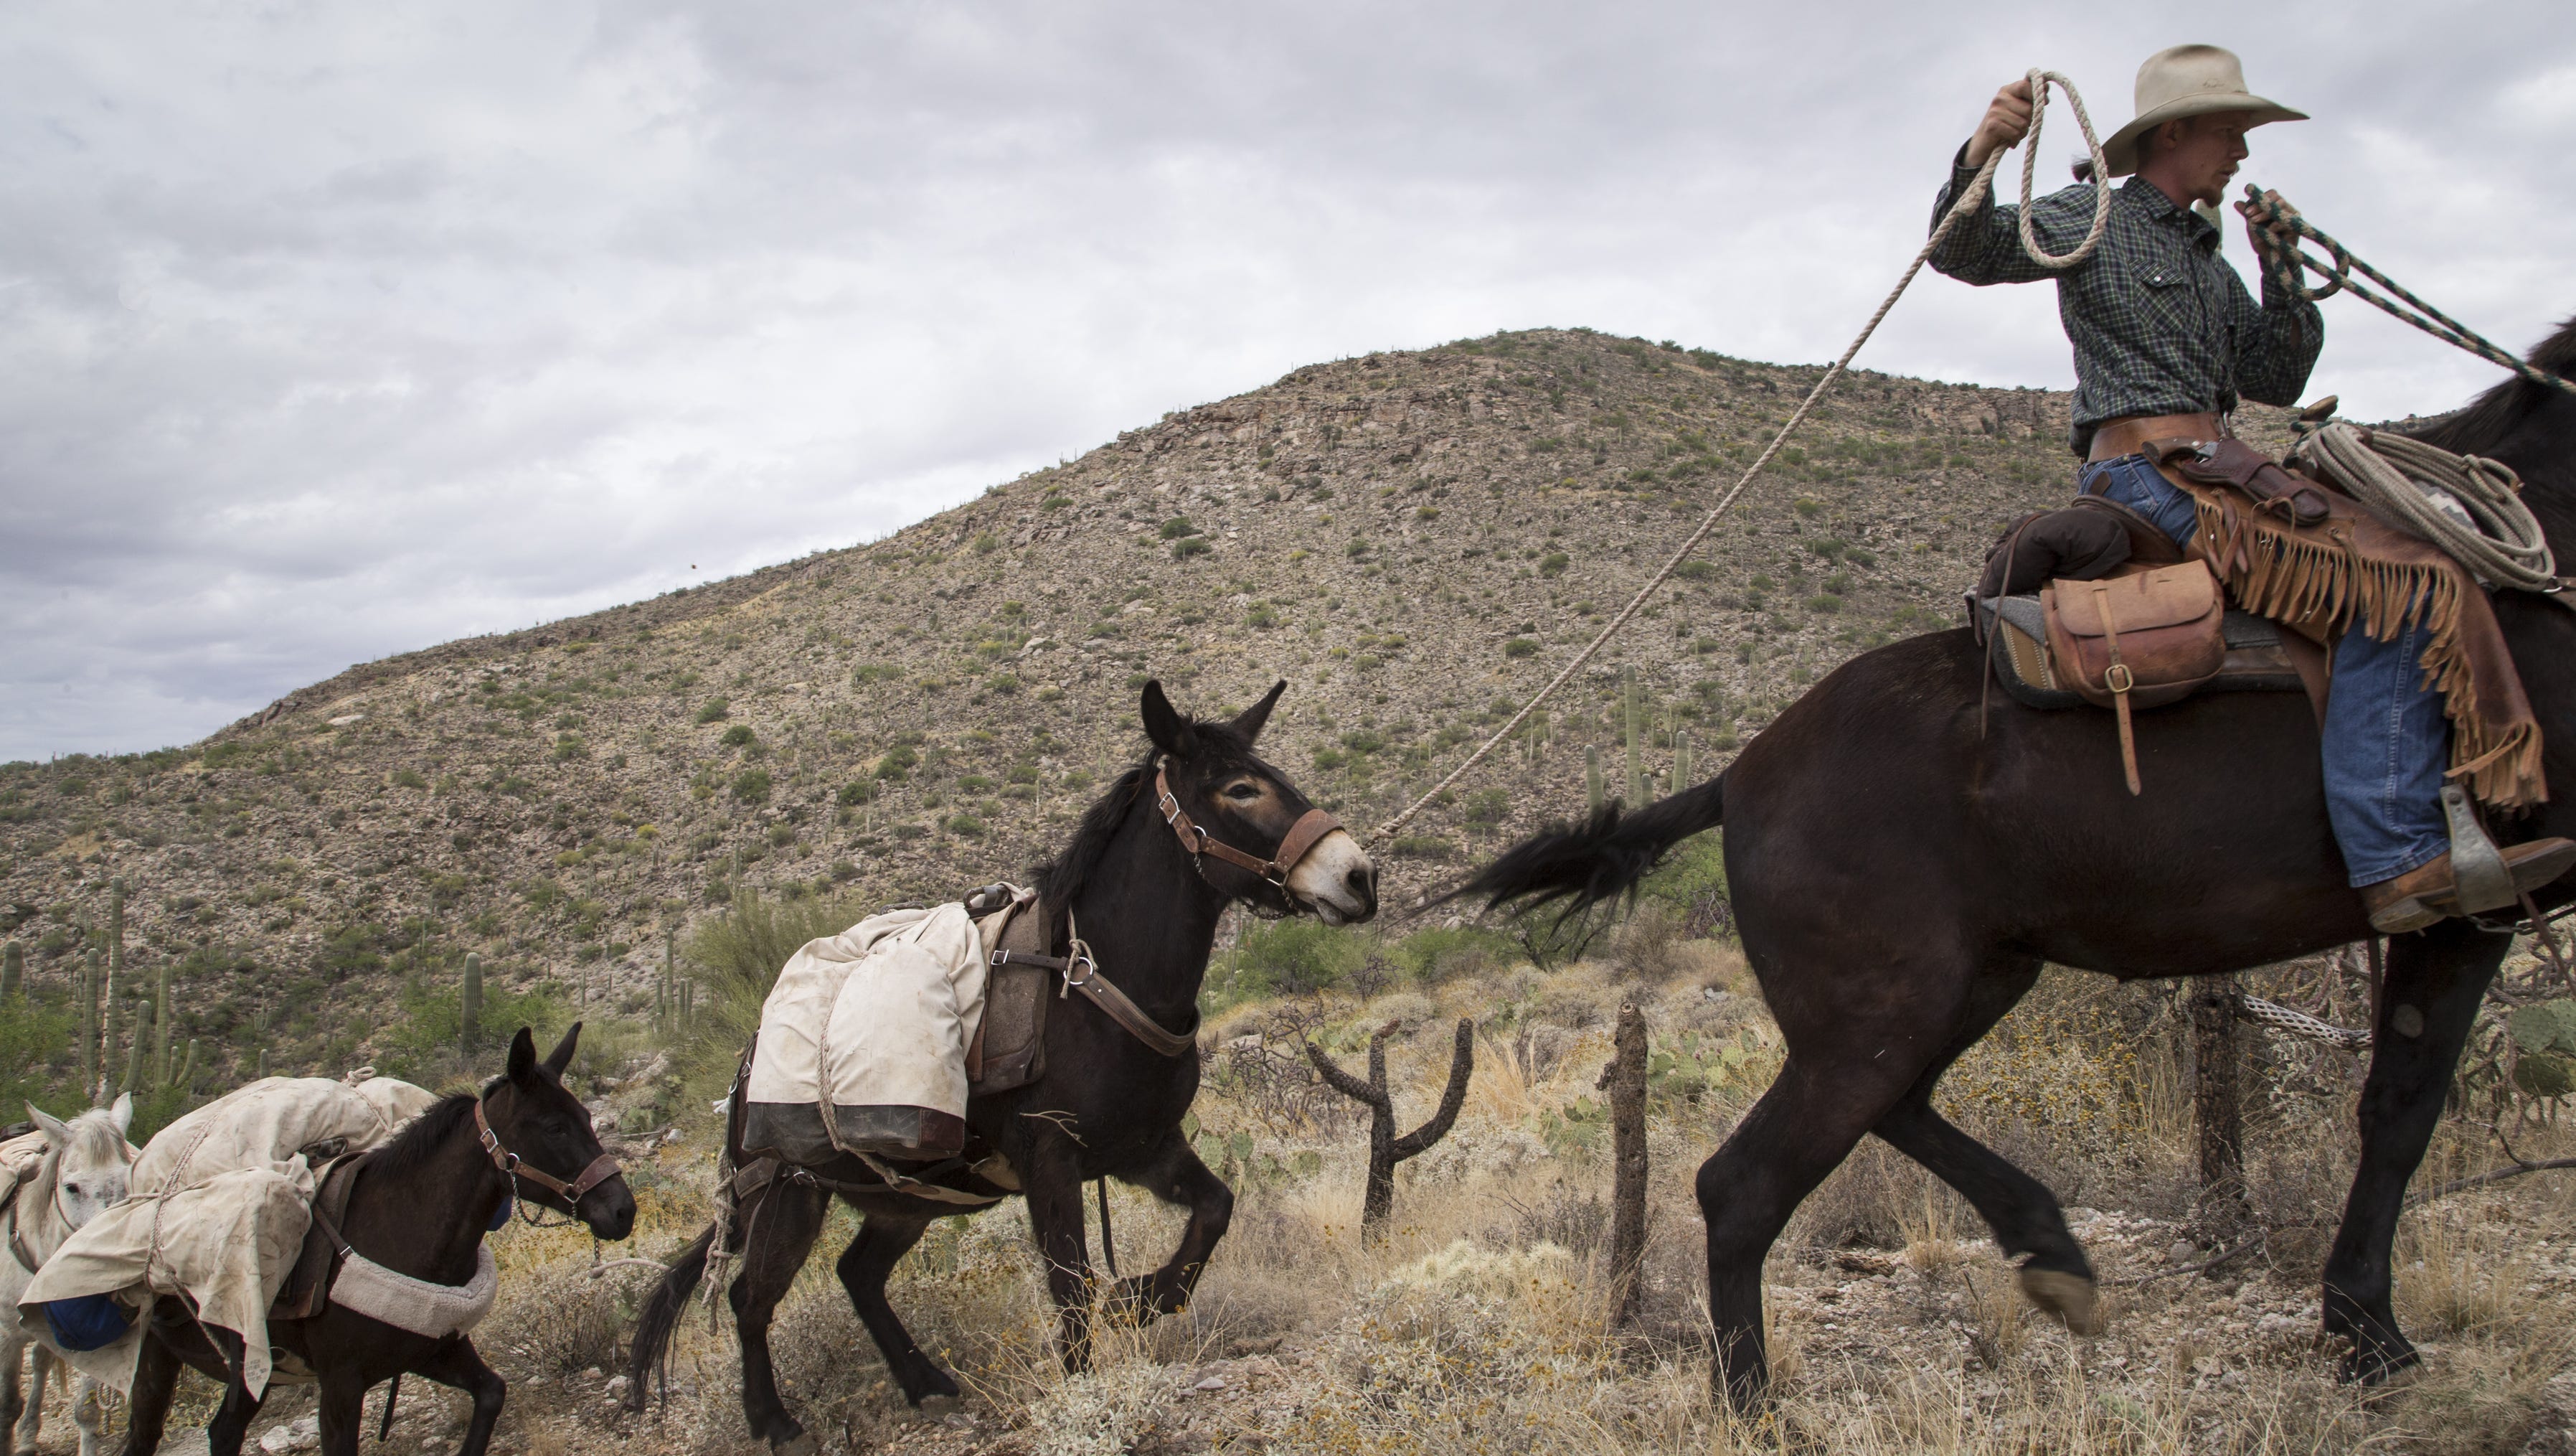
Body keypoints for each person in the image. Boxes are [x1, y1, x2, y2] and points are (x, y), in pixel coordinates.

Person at [1930, 44, 2574, 932]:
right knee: (2409, 583)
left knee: (2408, 561)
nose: (2242, 152)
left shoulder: (2211, 264)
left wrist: (2279, 272)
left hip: (2219, 467)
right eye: (2231, 131)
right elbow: (1963, 251)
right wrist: (1983, 152)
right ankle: (2396, 859)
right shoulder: (2094, 214)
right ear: (2176, 131)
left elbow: (2274, 372)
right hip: (2149, 470)